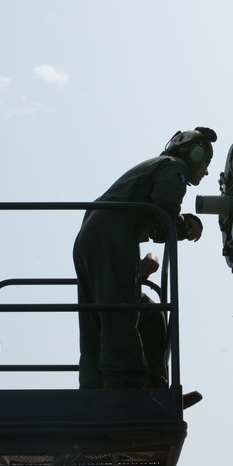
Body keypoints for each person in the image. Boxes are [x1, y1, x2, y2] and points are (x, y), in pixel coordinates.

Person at [73, 127, 216, 390]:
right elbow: (164, 215)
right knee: (120, 313)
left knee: (142, 316)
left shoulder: (155, 165)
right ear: (194, 154)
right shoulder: (175, 168)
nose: (206, 171)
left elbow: (154, 222)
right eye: (206, 161)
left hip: (92, 234)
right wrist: (184, 224)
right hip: (112, 233)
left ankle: (144, 385)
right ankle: (124, 388)